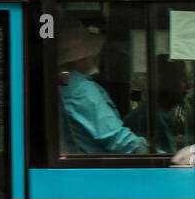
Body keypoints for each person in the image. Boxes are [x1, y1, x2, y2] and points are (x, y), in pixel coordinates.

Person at [58, 20, 149, 154]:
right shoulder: (81, 90)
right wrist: (156, 153)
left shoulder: (65, 85)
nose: (96, 57)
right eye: (92, 53)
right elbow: (119, 139)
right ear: (81, 57)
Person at [123, 55, 189, 154]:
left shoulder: (156, 115)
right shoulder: (151, 119)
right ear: (167, 83)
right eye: (182, 79)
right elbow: (165, 163)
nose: (187, 87)